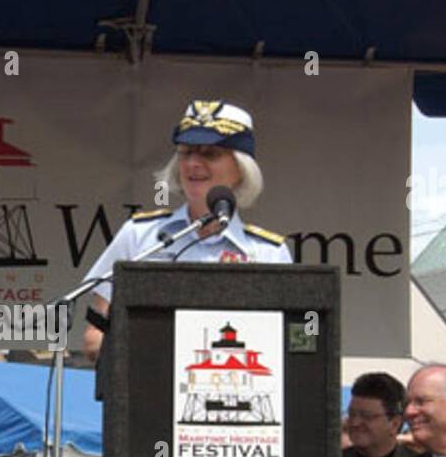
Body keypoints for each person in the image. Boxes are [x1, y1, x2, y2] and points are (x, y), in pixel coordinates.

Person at [82, 100, 292, 364]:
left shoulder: (267, 253)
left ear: (241, 168)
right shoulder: (140, 236)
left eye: (209, 154)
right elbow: (94, 339)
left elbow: (285, 349)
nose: (193, 163)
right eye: (186, 152)